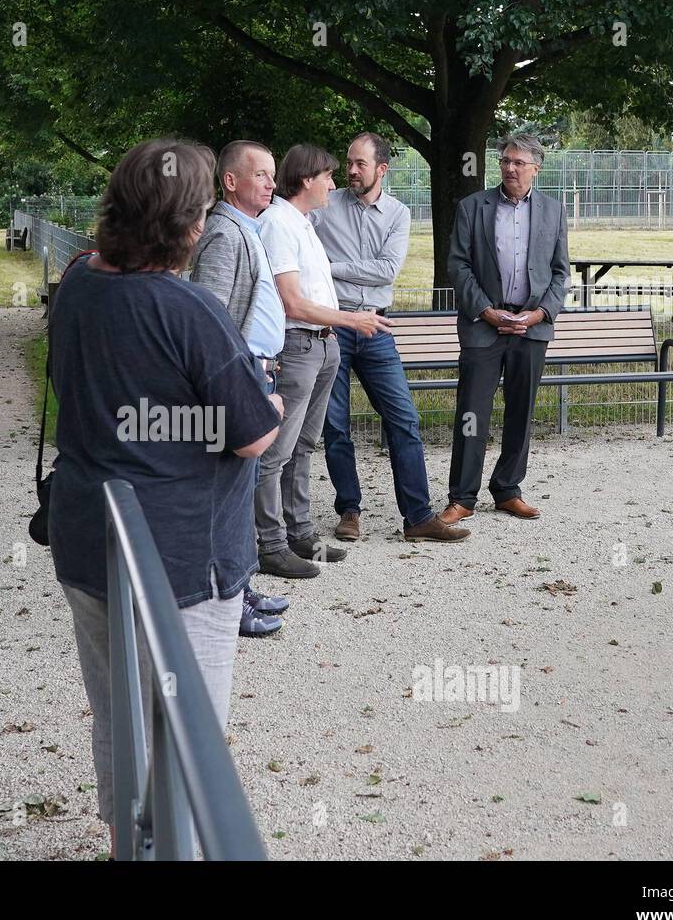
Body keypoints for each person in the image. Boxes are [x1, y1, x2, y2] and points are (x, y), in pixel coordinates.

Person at [47, 138, 282, 843]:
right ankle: (174, 842)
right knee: (188, 729)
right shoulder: (187, 310)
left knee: (119, 712)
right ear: (186, 225)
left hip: (88, 538)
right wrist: (263, 399)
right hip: (184, 557)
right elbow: (253, 435)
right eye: (203, 209)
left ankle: (130, 840)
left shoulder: (79, 282)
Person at [312, 132, 469, 544]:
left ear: (381, 169)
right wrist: (330, 267)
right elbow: (306, 259)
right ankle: (349, 509)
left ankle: (417, 516)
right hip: (336, 325)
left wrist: (331, 266)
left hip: (378, 328)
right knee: (335, 425)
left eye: (359, 164)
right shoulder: (324, 206)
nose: (350, 170)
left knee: (404, 420)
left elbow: (385, 272)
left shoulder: (398, 213)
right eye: (348, 162)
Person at [254, 144, 390, 579]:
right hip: (299, 347)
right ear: (307, 179)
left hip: (322, 345)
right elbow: (291, 302)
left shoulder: (302, 223)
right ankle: (270, 544)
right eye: (328, 176)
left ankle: (300, 535)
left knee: (302, 445)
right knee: (277, 450)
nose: (334, 183)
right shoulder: (278, 224)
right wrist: (352, 318)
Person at [440, 132, 570, 525]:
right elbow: (458, 264)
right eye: (505, 161)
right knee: (472, 413)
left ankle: (508, 490)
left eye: (518, 162)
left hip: (530, 328)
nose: (509, 168)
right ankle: (462, 497)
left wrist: (540, 314)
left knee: (521, 411)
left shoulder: (553, 210)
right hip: (485, 326)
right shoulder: (472, 207)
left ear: (536, 168)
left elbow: (561, 273)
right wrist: (485, 310)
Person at [189, 139, 291, 637]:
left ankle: (241, 589)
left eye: (273, 176)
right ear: (231, 182)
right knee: (230, 491)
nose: (272, 183)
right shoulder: (226, 234)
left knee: (240, 488)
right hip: (241, 372)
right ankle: (230, 600)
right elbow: (210, 318)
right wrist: (237, 378)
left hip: (256, 369)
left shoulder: (246, 229)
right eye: (262, 175)